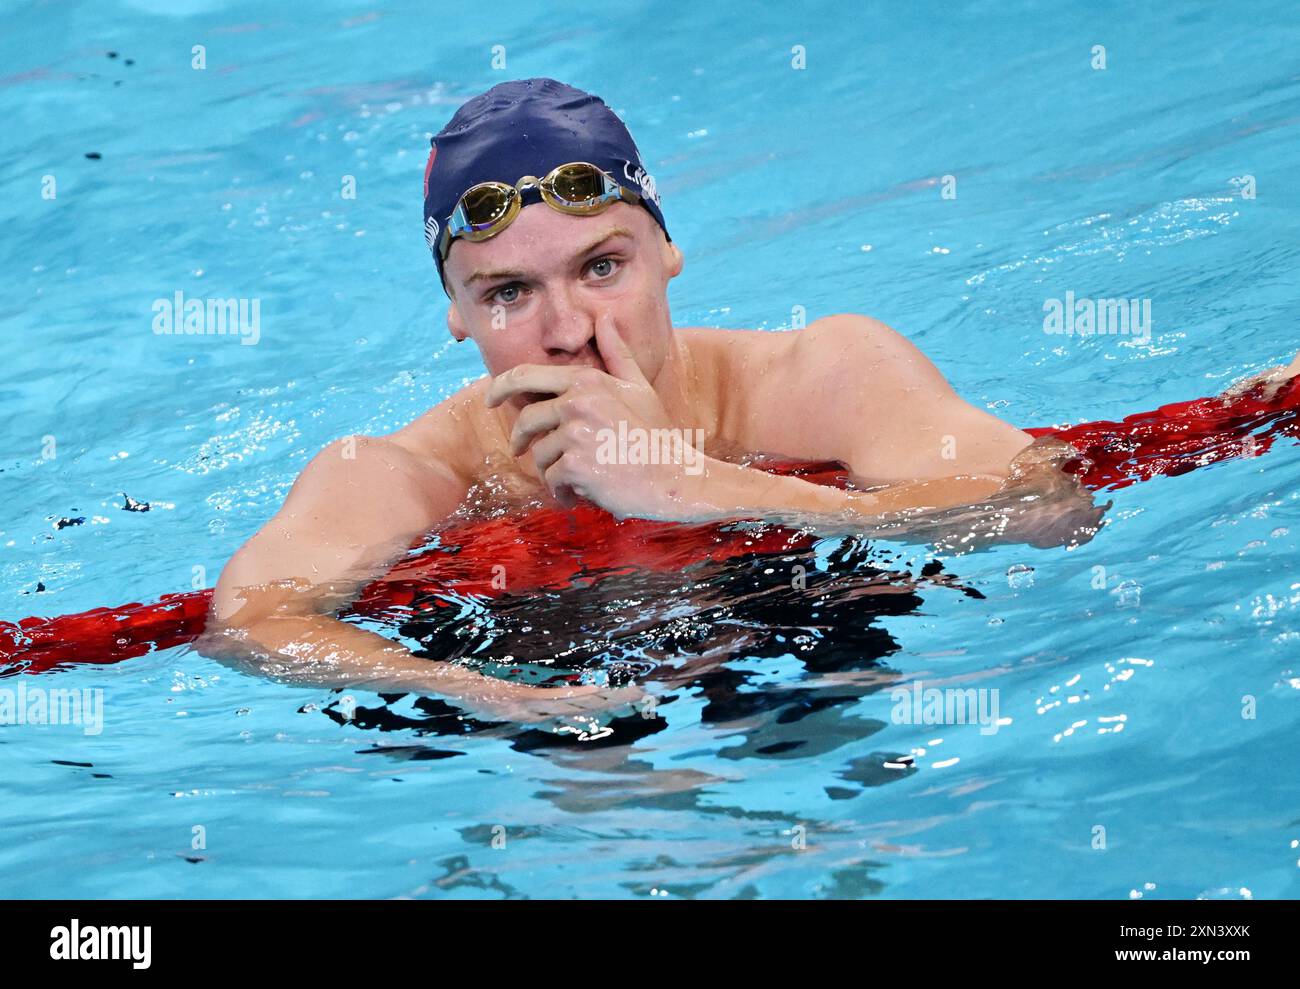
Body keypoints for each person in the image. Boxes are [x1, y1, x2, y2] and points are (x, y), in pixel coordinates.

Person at [203, 77, 1297, 723]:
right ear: (455, 315)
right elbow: (247, 623)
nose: (571, 327)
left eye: (602, 266)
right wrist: (493, 696)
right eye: (507, 292)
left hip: (809, 617)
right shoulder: (405, 473)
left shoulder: (819, 376)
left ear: (669, 251)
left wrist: (704, 486)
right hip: (551, 677)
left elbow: (1053, 510)